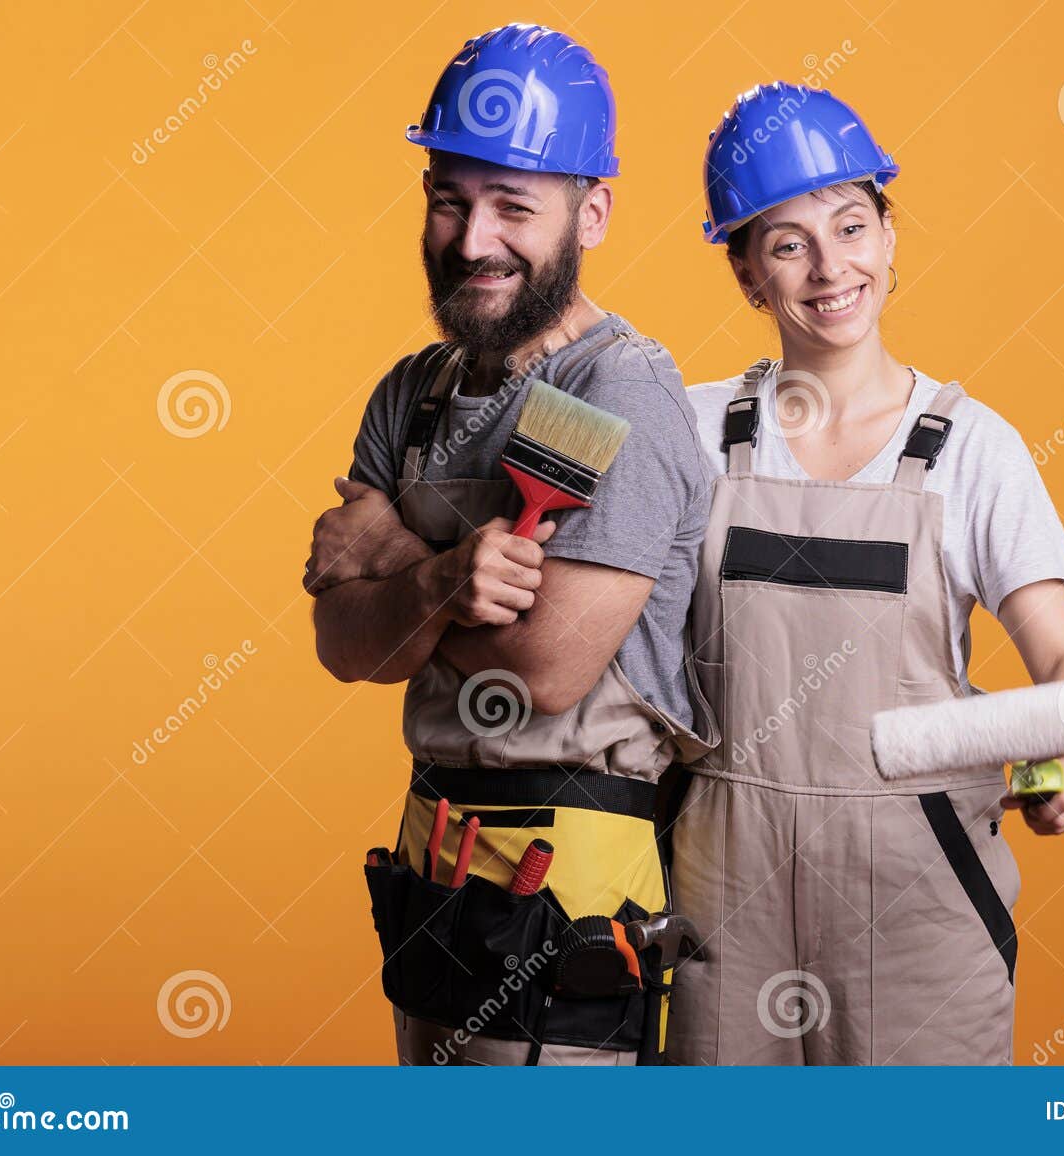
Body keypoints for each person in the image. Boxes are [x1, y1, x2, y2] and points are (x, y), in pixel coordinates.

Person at [666, 82, 1064, 1065]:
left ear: (889, 235)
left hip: (919, 906)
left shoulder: (972, 450)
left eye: (851, 226)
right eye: (787, 244)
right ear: (744, 272)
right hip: (722, 907)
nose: (831, 268)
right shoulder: (689, 435)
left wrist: (1054, 764)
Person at [303, 23, 714, 1065]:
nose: (474, 236)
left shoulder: (613, 387)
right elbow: (344, 646)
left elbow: (544, 666)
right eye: (451, 198)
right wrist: (443, 573)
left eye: (513, 206)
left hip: (566, 870)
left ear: (594, 212)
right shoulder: (412, 391)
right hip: (432, 859)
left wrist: (387, 561)